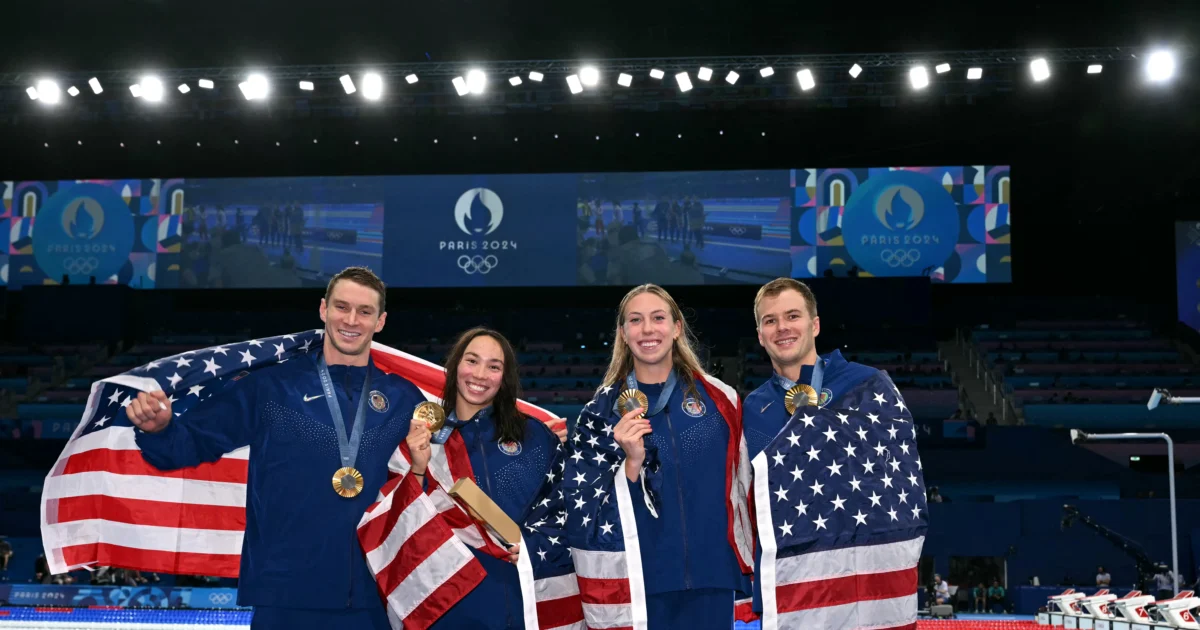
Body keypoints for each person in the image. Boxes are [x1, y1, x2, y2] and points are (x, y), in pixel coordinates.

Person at [126, 267, 425, 630]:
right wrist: (159, 431)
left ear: (380, 321)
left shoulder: (402, 398)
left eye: (364, 312)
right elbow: (189, 444)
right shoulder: (271, 387)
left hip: (374, 596)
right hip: (285, 596)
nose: (351, 320)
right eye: (341, 307)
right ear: (322, 310)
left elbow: (438, 474)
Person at [568, 284, 752, 629]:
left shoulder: (721, 398)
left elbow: (745, 486)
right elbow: (582, 503)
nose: (648, 329)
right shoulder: (602, 411)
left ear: (677, 327)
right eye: (635, 321)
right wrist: (632, 465)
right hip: (638, 580)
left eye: (658, 318)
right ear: (623, 334)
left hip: (712, 576)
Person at [741, 277, 900, 616]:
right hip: (783, 592)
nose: (782, 327)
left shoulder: (866, 385)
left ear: (815, 325)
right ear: (760, 335)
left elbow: (894, 482)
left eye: (793, 316)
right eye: (770, 320)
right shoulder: (753, 407)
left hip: (854, 592)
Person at [405, 327, 566, 629]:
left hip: (526, 605)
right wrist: (417, 467)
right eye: (472, 361)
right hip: (453, 608)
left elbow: (565, 506)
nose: (480, 374)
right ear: (454, 366)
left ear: (504, 378)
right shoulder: (425, 439)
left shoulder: (536, 436)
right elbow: (404, 524)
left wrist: (537, 545)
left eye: (494, 366)